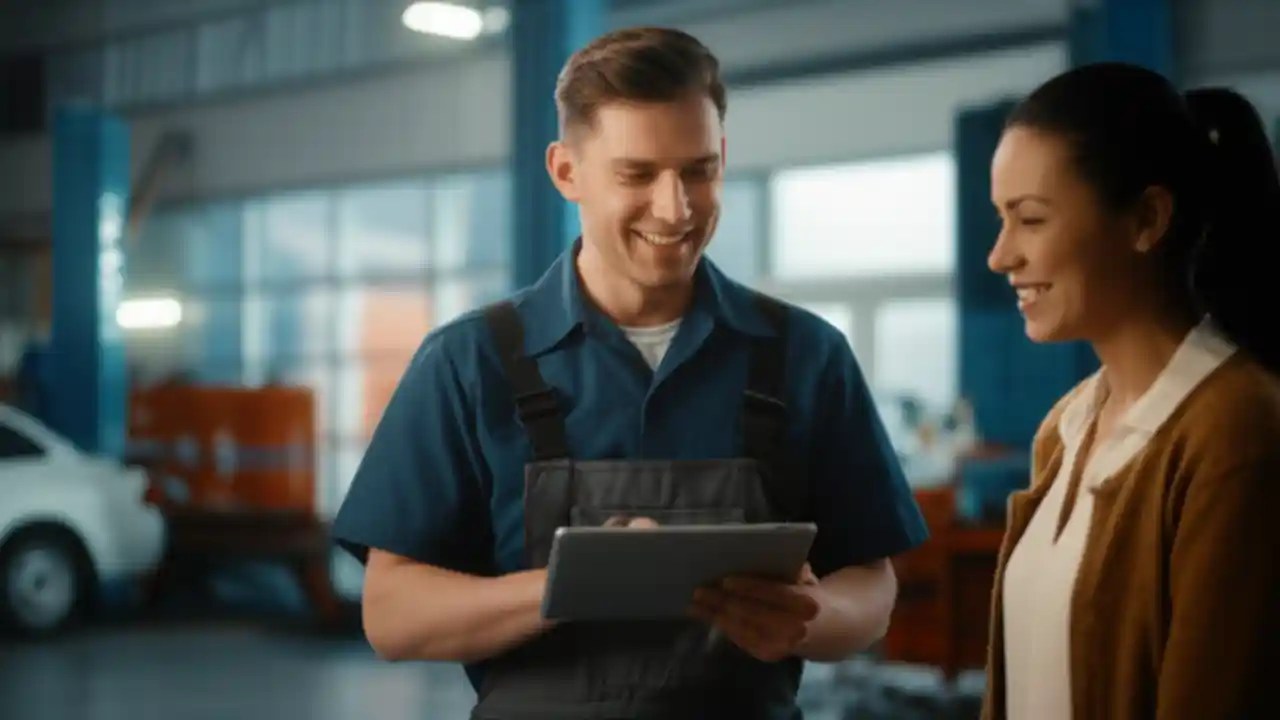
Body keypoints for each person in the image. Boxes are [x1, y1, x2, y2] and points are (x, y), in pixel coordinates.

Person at [331, 26, 927, 720]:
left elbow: (873, 587)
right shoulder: (468, 363)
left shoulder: (806, 356)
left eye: (698, 170)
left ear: (723, 158)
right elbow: (393, 614)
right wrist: (573, 582)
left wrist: (810, 614)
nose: (675, 209)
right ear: (566, 172)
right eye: (637, 174)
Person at [982, 62, 1280, 720]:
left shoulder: (1235, 427)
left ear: (1147, 218)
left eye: (1030, 219)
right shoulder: (1066, 424)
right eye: (1001, 219)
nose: (1000, 255)